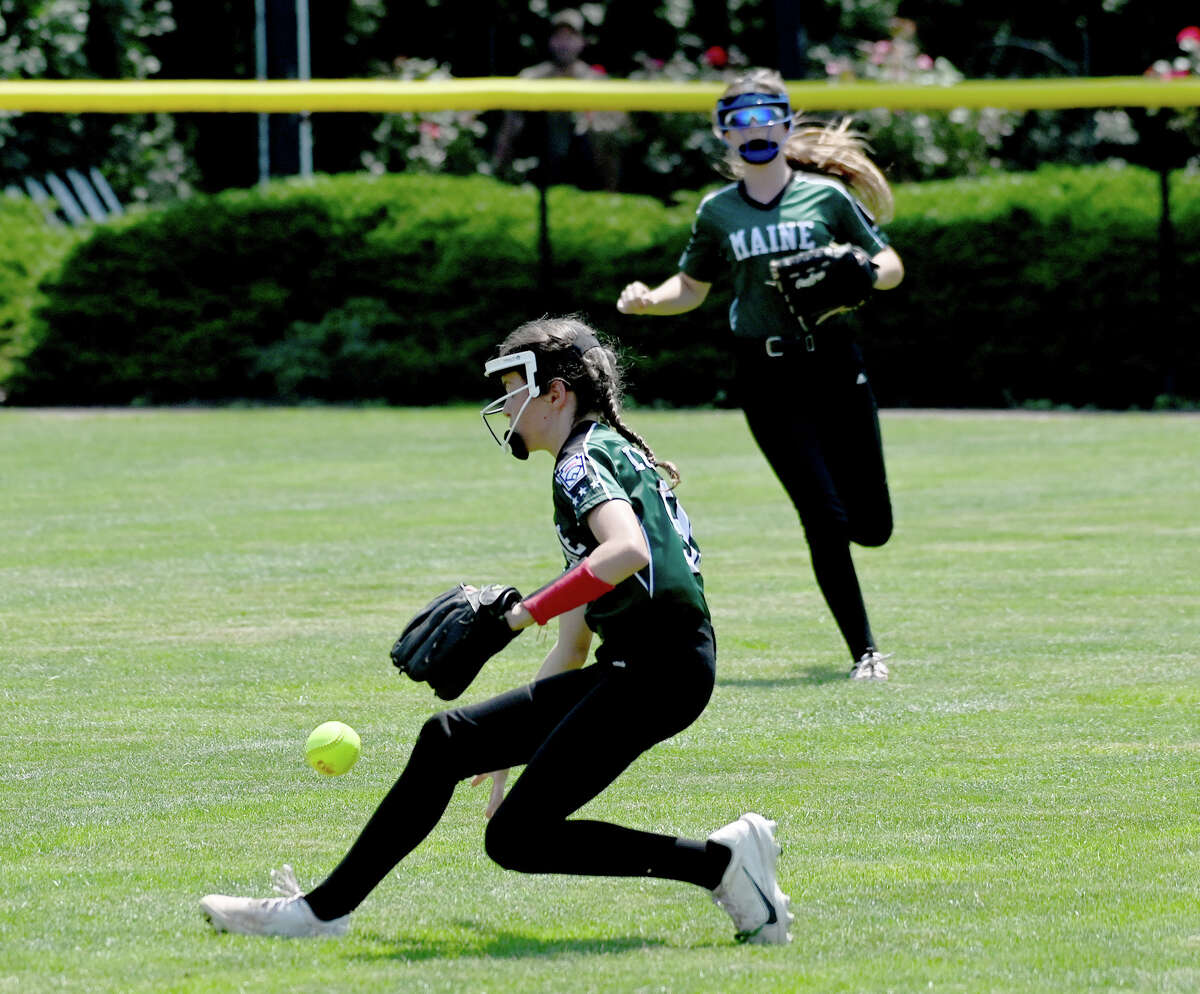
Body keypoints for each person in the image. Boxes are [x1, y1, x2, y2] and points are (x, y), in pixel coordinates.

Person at [199, 316, 792, 946]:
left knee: (516, 838)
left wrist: (518, 615)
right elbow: (574, 643)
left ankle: (720, 866)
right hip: (651, 667)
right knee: (450, 741)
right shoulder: (602, 452)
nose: (505, 405)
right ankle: (322, 911)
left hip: (657, 672)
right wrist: (509, 752)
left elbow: (626, 551)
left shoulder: (580, 462)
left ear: (555, 393)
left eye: (513, 388)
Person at [616, 68, 905, 681]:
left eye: (766, 116)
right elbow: (691, 287)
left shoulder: (826, 197)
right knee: (824, 517)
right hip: (767, 376)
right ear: (724, 132)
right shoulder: (718, 211)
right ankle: (866, 652)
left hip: (835, 363)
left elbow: (890, 262)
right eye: (740, 119)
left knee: (872, 526)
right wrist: (648, 300)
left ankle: (861, 588)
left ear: (786, 124)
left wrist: (866, 271)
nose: (755, 129)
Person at [491, 8, 625, 190]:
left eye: (570, 37)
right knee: (514, 120)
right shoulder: (533, 76)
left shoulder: (594, 79)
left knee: (603, 130)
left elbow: (615, 123)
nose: (564, 44)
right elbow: (511, 120)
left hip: (582, 154)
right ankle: (500, 175)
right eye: (559, 37)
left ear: (581, 41)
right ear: (550, 41)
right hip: (540, 149)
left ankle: (608, 191)